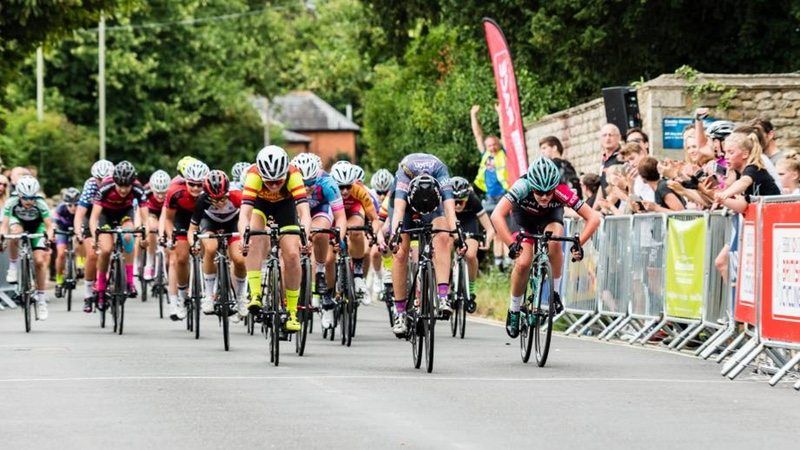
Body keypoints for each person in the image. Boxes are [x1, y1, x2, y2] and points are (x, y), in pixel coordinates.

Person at [490, 157, 600, 338]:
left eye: (549, 192)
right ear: (531, 186)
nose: (544, 196)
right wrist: (511, 244)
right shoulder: (521, 186)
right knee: (524, 262)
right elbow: (496, 215)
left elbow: (593, 218)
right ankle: (514, 308)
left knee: (555, 240)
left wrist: (579, 243)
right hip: (523, 219)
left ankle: (554, 293)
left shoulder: (561, 190)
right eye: (539, 192)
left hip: (549, 217)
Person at [239, 145, 311, 333]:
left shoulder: (294, 174)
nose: (272, 185)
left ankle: (292, 312)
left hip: (285, 208)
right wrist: (243, 236)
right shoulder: (253, 175)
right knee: (254, 234)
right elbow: (244, 214)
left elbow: (304, 212)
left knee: (293, 255)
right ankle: (255, 294)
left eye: (277, 181)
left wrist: (305, 236)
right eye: (268, 182)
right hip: (260, 206)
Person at [388, 153, 460, 336]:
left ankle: (443, 296)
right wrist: (394, 235)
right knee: (401, 252)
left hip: (434, 205)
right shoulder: (404, 174)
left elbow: (450, 209)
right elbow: (398, 210)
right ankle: (400, 312)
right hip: (405, 206)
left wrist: (456, 234)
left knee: (443, 237)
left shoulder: (440, 171)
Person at [291, 153, 347, 329]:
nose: (307, 188)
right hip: (295, 212)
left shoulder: (327, 182)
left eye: (310, 184)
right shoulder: (288, 180)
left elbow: (341, 217)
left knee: (321, 232)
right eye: (303, 184)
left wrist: (340, 238)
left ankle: (320, 272)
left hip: (319, 212)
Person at [187, 170, 247, 320]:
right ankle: (208, 295)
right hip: (210, 223)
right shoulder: (202, 201)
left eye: (222, 198)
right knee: (211, 248)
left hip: (233, 223)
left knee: (239, 259)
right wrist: (193, 244)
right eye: (214, 200)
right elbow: (192, 230)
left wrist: (246, 240)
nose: (219, 203)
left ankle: (241, 297)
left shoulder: (237, 196)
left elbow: (248, 221)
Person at [89, 161, 145, 310]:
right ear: (114, 181)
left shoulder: (138, 188)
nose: (123, 190)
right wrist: (95, 238)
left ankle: (130, 282)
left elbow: (144, 214)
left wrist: (144, 235)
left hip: (125, 213)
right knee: (106, 250)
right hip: (105, 215)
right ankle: (100, 288)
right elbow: (94, 217)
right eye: (120, 185)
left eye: (127, 186)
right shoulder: (105, 187)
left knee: (128, 236)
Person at [161, 160, 210, 320]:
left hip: (203, 220)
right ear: (185, 181)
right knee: (180, 258)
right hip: (181, 221)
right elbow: (168, 219)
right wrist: (171, 236)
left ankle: (208, 291)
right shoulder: (175, 192)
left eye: (199, 185)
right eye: (192, 184)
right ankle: (181, 296)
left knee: (209, 250)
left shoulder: (210, 192)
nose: (196, 188)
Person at [0, 176, 54, 320]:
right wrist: (2, 238)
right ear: (19, 195)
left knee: (39, 262)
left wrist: (48, 237)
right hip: (18, 223)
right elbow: (4, 225)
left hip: (37, 226)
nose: (29, 202)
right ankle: (12, 266)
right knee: (14, 233)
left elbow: (49, 227)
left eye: (32, 198)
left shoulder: (41, 203)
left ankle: (41, 300)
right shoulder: (11, 202)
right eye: (25, 198)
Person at [330, 161, 383, 306]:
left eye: (348, 186)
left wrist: (374, 232)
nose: (345, 191)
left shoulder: (360, 190)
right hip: (334, 212)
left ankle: (358, 274)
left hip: (354, 210)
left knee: (356, 230)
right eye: (341, 187)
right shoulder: (328, 188)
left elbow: (375, 218)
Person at [470, 104, 510, 271]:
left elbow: (504, 132)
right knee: (493, 232)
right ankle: (499, 264)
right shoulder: (485, 155)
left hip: (503, 196)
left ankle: (508, 262)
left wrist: (500, 113)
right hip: (489, 197)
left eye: (494, 144)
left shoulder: (503, 153)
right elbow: (478, 135)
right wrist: (473, 116)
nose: (492, 147)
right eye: (489, 146)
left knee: (505, 230)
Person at [75, 159, 114, 313]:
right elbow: (79, 214)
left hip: (109, 217)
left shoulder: (116, 184)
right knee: (92, 254)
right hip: (91, 216)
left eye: (105, 179)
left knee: (112, 248)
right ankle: (88, 293)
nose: (102, 182)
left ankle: (114, 279)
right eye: (99, 179)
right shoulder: (90, 185)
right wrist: (78, 232)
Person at [450, 176, 494, 313]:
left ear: (467, 198)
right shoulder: (444, 203)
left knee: (470, 254)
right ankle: (446, 285)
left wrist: (487, 240)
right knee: (445, 247)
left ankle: (471, 290)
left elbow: (490, 228)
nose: (457, 205)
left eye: (461, 202)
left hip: (469, 224)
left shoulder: (474, 200)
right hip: (451, 223)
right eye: (455, 202)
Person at [141, 170, 171, 281]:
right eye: (157, 192)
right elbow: (141, 210)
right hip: (151, 211)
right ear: (152, 188)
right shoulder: (145, 191)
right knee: (152, 228)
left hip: (166, 212)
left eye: (163, 192)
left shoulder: (171, 192)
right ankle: (149, 264)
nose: (160, 195)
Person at [368, 168, 394, 296]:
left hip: (389, 224)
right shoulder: (370, 196)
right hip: (376, 225)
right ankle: (378, 276)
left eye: (385, 192)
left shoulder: (394, 196)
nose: (382, 196)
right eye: (379, 192)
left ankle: (390, 271)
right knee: (374, 252)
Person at [53, 187, 80, 298]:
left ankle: (80, 264)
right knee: (60, 254)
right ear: (65, 204)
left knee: (81, 240)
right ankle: (59, 279)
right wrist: (53, 230)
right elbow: (54, 223)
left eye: (76, 205)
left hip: (77, 229)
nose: (73, 208)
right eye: (70, 205)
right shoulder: (60, 208)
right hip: (62, 230)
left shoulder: (83, 209)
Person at [593, 123, 623, 210]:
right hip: (607, 208)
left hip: (619, 209)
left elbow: (619, 187)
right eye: (604, 135)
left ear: (619, 137)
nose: (607, 138)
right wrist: (593, 210)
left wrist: (607, 207)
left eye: (611, 135)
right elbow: (602, 186)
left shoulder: (621, 158)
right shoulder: (604, 159)